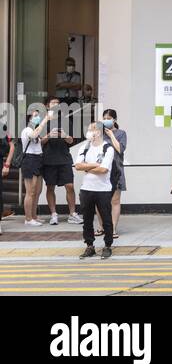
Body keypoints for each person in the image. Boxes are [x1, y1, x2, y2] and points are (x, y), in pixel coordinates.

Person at [73, 122, 116, 260]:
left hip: (103, 190)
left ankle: (107, 246)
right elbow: (78, 166)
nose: (89, 131)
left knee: (106, 219)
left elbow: (104, 170)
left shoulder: (107, 148)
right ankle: (89, 246)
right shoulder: (84, 147)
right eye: (89, 128)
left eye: (92, 129)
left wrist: (87, 167)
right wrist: (94, 165)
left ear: (98, 132)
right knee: (87, 219)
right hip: (86, 189)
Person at [40, 115, 79, 226]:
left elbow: (71, 141)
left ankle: (72, 214)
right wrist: (48, 135)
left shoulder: (66, 121)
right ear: (47, 106)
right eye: (53, 103)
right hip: (49, 159)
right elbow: (40, 142)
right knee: (50, 187)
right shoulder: (44, 122)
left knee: (70, 186)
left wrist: (65, 135)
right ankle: (53, 214)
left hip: (64, 158)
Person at [19, 108, 50, 226]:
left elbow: (38, 142)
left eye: (38, 115)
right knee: (30, 191)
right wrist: (45, 120)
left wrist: (47, 136)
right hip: (30, 160)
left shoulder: (35, 130)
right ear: (29, 118)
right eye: (35, 116)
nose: (38, 117)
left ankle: (34, 216)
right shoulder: (27, 130)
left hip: (38, 159)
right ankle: (28, 219)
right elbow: (33, 135)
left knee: (38, 191)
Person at [100, 109, 126, 239]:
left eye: (109, 118)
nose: (106, 120)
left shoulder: (121, 133)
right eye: (104, 118)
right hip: (101, 170)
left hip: (116, 170)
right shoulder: (99, 133)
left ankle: (113, 228)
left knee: (115, 201)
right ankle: (102, 227)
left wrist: (111, 135)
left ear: (114, 120)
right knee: (100, 200)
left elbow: (120, 149)